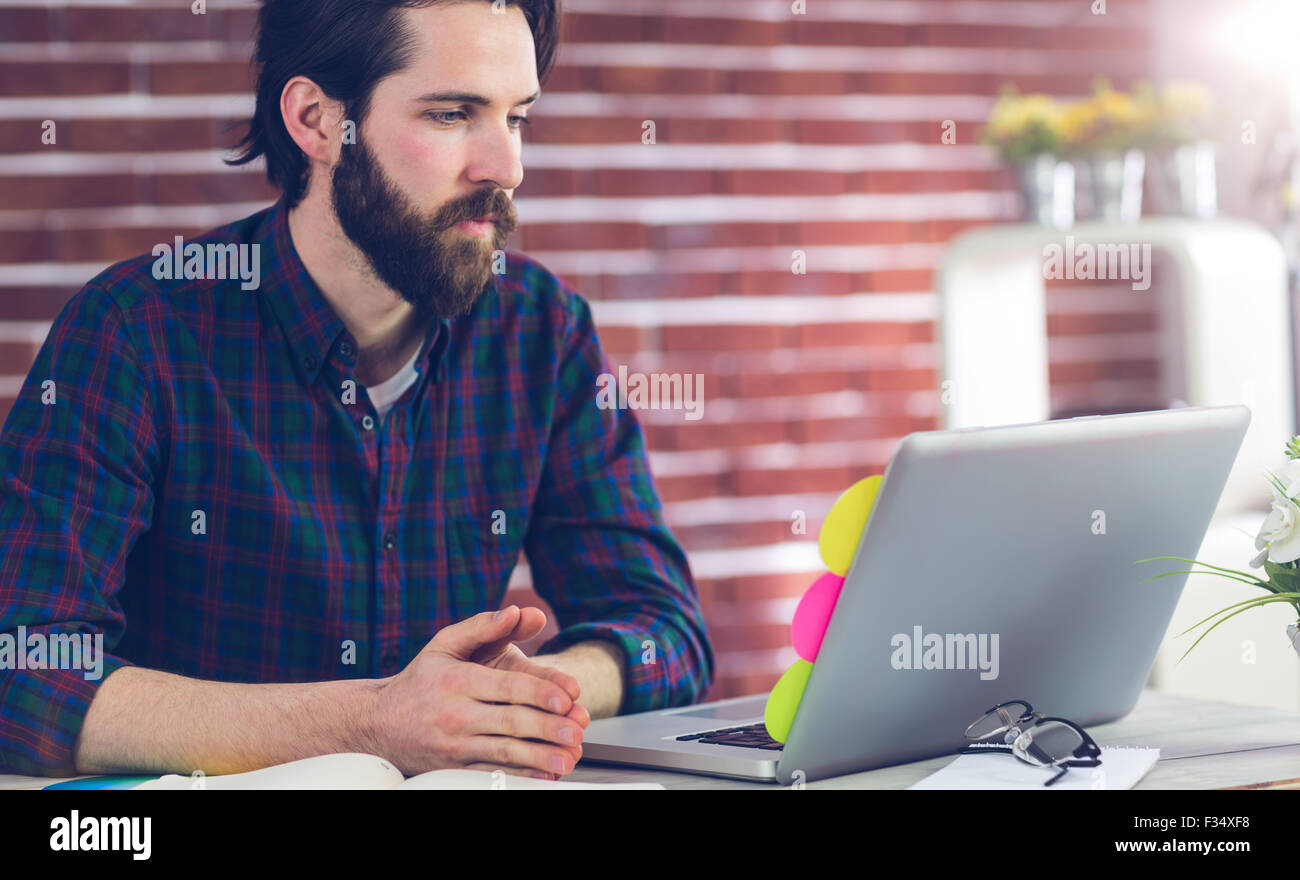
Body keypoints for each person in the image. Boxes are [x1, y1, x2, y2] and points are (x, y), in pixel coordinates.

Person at [0, 0, 712, 780]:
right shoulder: (133, 332)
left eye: (518, 119)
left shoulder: (543, 331)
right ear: (315, 121)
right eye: (451, 114)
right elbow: (22, 673)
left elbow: (665, 630)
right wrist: (373, 722)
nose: (505, 168)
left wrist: (525, 698)